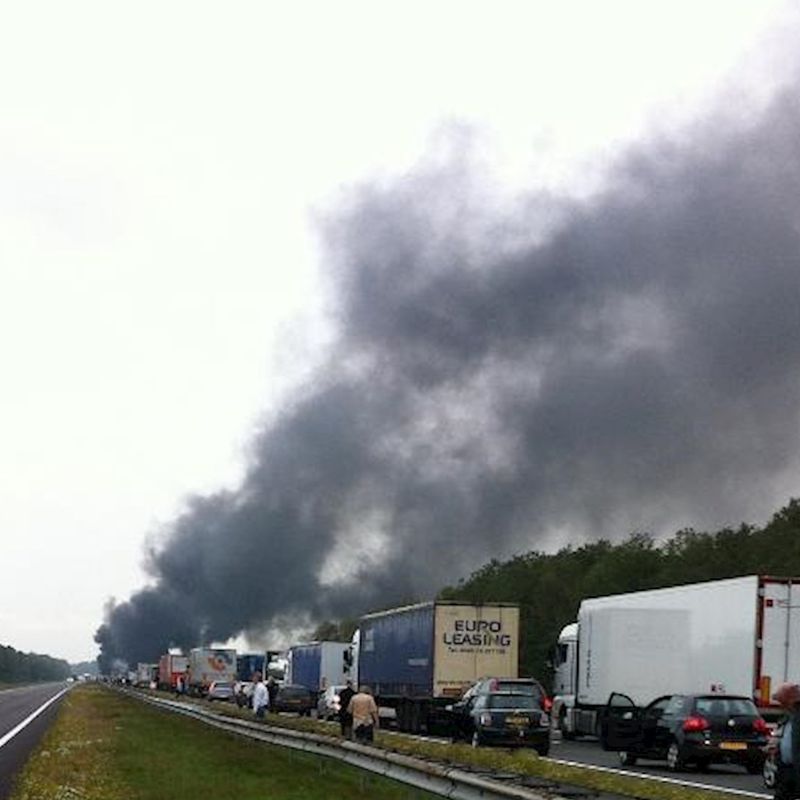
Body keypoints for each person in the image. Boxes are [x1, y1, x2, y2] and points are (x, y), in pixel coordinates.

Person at [773, 682, 800, 800]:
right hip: (786, 769)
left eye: (782, 701)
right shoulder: (789, 716)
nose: (781, 705)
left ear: (790, 699)